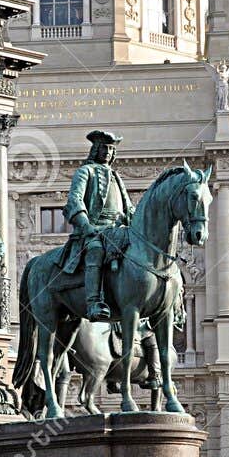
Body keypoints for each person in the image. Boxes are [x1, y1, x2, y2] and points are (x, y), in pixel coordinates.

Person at [60, 130, 134, 322]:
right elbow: (74, 200)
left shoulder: (116, 177)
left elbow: (128, 207)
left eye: (111, 149)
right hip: (93, 231)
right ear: (96, 149)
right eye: (104, 148)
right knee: (96, 250)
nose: (108, 152)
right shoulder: (86, 171)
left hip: (118, 231)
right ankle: (93, 302)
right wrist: (85, 226)